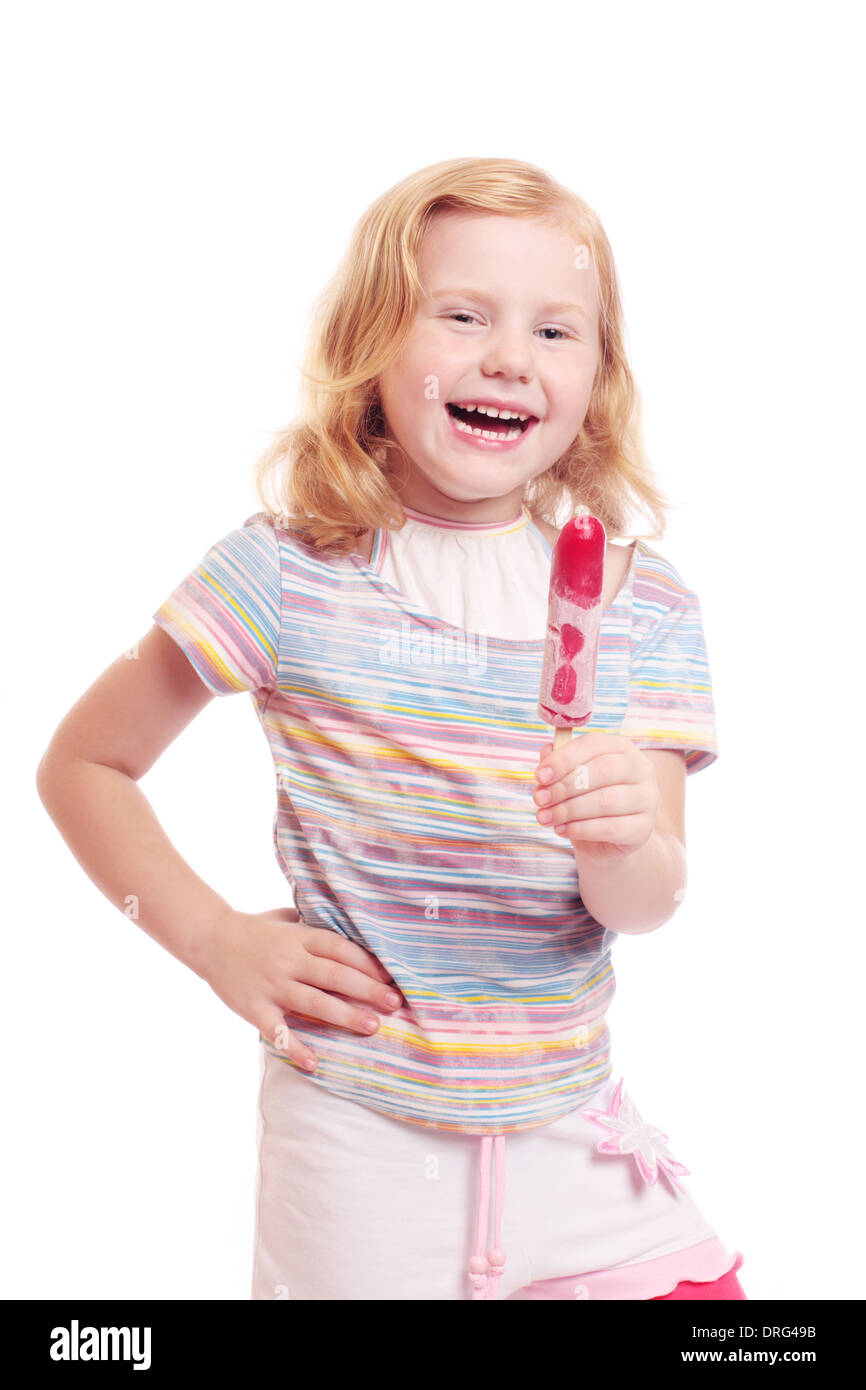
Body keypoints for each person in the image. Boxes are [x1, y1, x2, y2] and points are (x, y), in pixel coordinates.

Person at [37, 156, 746, 1301]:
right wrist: (214, 939)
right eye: (461, 315)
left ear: (597, 376)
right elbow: (84, 763)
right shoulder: (282, 573)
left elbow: (647, 902)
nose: (508, 356)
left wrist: (621, 837)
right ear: (371, 345)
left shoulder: (643, 606)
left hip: (574, 1131)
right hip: (357, 1141)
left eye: (554, 330)